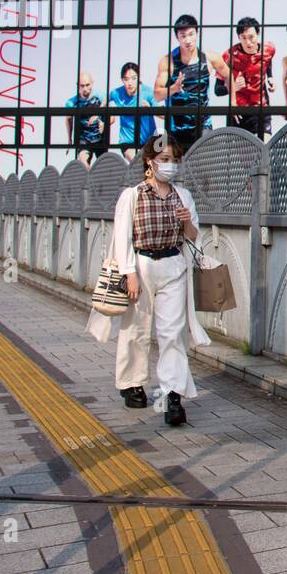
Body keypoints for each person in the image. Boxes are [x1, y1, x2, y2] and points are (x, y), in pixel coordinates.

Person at [86, 134, 210, 427]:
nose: (170, 166)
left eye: (174, 160)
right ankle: (131, 383)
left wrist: (185, 221)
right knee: (136, 329)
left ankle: (172, 395)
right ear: (149, 162)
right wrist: (129, 274)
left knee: (172, 332)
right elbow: (122, 238)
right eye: (164, 160)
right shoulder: (133, 195)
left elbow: (193, 238)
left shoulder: (184, 196)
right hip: (141, 266)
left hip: (173, 266)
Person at [155, 15, 230, 149]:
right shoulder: (168, 61)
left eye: (191, 34)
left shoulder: (209, 58)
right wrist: (174, 88)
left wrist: (234, 101)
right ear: (177, 37)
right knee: (179, 168)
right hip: (176, 128)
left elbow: (229, 75)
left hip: (203, 125)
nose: (188, 40)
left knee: (203, 167)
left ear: (197, 33)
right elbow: (157, 95)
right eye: (183, 36)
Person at [216, 17, 276, 138]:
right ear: (238, 37)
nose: (248, 42)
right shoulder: (228, 56)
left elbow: (267, 61)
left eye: (251, 37)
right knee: (241, 156)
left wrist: (270, 77)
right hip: (237, 112)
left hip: (261, 108)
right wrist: (233, 87)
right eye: (243, 38)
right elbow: (217, 90)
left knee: (264, 147)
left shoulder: (269, 49)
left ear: (258, 34)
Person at [108, 62, 158, 162]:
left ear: (138, 78)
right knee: (138, 164)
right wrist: (99, 117)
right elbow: (103, 103)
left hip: (148, 140)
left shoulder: (148, 92)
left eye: (133, 78)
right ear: (122, 80)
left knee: (150, 170)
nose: (130, 83)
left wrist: (150, 109)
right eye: (126, 79)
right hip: (127, 140)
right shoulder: (116, 93)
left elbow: (163, 114)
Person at [65, 72, 108, 166]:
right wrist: (69, 139)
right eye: (82, 86)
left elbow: (112, 117)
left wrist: (105, 124)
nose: (85, 88)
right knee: (83, 162)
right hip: (83, 139)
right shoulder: (72, 102)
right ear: (78, 86)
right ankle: (90, 180)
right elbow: (68, 119)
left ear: (92, 83)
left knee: (103, 166)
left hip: (99, 138)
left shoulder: (101, 97)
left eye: (87, 85)